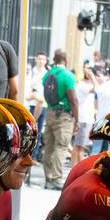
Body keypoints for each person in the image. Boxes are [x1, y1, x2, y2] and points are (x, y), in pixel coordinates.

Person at [41, 49, 76, 189]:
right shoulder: (68, 76)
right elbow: (73, 99)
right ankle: (56, 178)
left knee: (49, 146)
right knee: (60, 147)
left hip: (49, 112)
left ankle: (48, 178)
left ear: (54, 59)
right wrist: (77, 119)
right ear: (65, 59)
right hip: (63, 115)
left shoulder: (47, 74)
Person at [70, 63, 97, 168]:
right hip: (83, 118)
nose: (89, 71)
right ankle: (79, 169)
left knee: (80, 145)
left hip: (87, 118)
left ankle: (76, 169)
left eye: (90, 69)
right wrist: (93, 77)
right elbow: (95, 89)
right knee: (79, 146)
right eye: (87, 69)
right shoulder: (82, 85)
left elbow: (98, 89)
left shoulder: (89, 84)